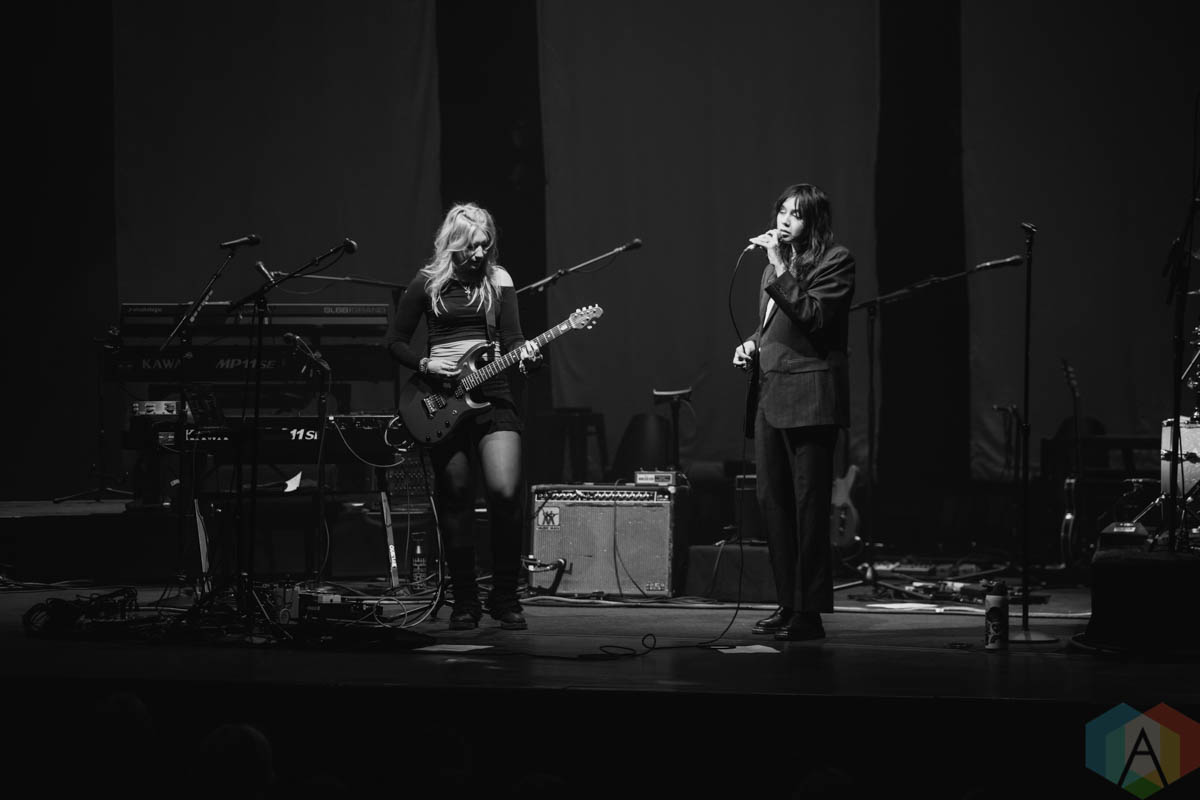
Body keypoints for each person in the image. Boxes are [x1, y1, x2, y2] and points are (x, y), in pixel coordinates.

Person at [387, 203, 541, 630]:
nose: (478, 253)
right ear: (453, 242)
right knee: (455, 497)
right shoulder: (427, 282)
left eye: (484, 244)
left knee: (506, 492)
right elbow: (395, 341)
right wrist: (425, 365)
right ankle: (466, 601)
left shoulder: (499, 280)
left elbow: (512, 338)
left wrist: (525, 356)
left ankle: (506, 597)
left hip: (492, 394)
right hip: (440, 398)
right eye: (471, 245)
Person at [732, 183, 855, 641]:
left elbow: (815, 318)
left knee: (808, 507)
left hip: (811, 398)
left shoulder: (836, 260)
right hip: (770, 394)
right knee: (773, 503)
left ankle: (811, 612)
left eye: (796, 214)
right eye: (781, 211)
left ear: (814, 221)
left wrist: (780, 267)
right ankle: (788, 604)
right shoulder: (772, 270)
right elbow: (774, 324)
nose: (784, 221)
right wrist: (751, 344)